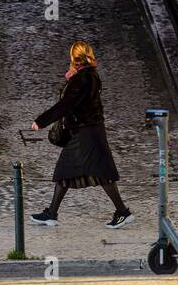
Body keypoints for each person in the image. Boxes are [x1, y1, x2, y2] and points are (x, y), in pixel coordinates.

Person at [30, 41, 132, 229]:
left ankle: (122, 212)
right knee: (68, 170)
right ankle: (52, 213)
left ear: (74, 58)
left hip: (87, 133)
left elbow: (66, 105)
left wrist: (41, 121)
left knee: (97, 172)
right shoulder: (89, 75)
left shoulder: (82, 79)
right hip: (88, 131)